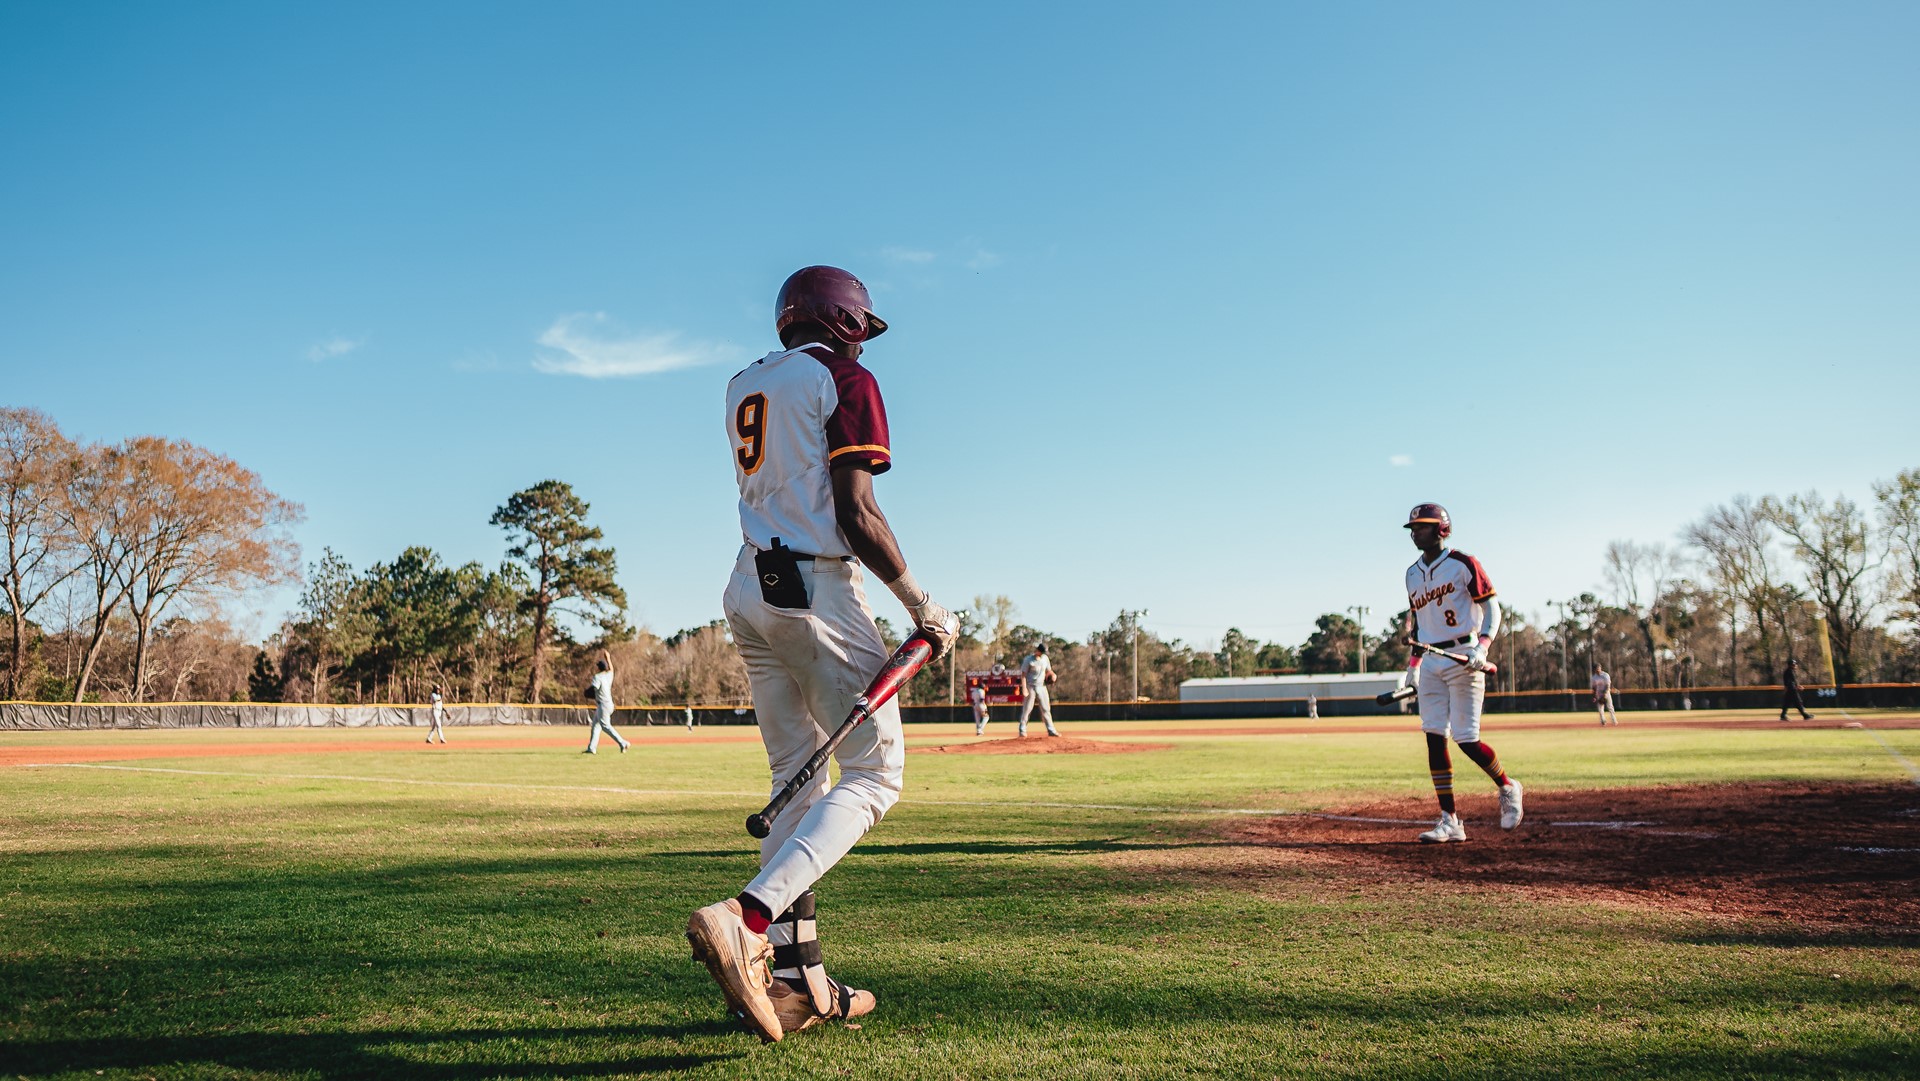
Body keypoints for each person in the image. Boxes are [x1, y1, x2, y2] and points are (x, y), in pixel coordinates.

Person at [687, 265, 958, 1042]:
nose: (865, 343)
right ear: (844, 320)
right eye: (862, 328)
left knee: (797, 781)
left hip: (749, 585)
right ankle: (746, 918)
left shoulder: (744, 381)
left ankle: (793, 981)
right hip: (816, 588)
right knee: (876, 774)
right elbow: (857, 510)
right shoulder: (844, 378)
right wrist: (922, 606)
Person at [1401, 503, 1523, 843]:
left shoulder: (1463, 563)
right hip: (1432, 660)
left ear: (1442, 528)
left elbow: (1491, 607)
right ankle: (1450, 821)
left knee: (1466, 739)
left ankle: (1508, 786)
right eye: (1412, 528)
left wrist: (1482, 647)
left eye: (1422, 527)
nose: (1415, 533)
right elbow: (1420, 628)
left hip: (1465, 655)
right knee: (1433, 735)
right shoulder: (1411, 574)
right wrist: (1413, 668)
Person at [583, 654, 629, 754]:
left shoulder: (597, 677)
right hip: (608, 704)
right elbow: (612, 669)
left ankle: (622, 742)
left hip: (603, 705)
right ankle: (591, 748)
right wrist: (608, 658)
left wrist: (586, 692)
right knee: (595, 725)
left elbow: (594, 688)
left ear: (598, 668)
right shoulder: (609, 675)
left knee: (605, 726)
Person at [1018, 642, 1060, 737]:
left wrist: (1053, 675)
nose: (1042, 653)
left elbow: (1049, 671)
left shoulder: (1045, 659)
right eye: (1041, 651)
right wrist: (1024, 688)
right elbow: (1023, 675)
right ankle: (1022, 730)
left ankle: (1051, 730)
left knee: (1046, 708)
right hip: (1031, 686)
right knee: (1027, 709)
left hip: (1041, 686)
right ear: (1037, 650)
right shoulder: (1028, 660)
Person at [1780, 657, 1814, 722]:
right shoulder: (1791, 671)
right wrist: (1798, 686)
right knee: (1798, 702)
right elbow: (1793, 681)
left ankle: (1783, 715)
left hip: (1790, 689)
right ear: (1791, 665)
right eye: (1794, 664)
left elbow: (1788, 682)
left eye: (1795, 664)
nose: (1795, 665)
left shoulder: (1788, 671)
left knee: (1787, 703)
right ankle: (1805, 715)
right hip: (1792, 689)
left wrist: (1787, 689)